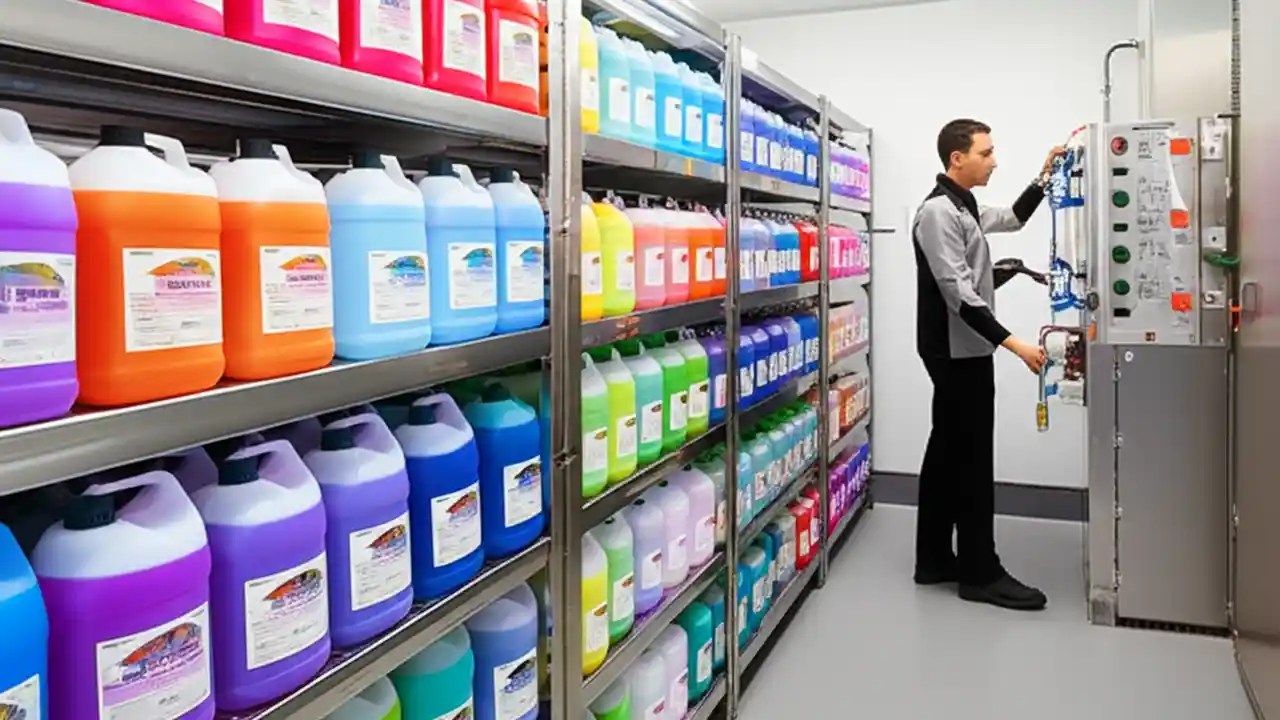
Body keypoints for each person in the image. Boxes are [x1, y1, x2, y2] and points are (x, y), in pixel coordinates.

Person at [911, 118, 1064, 611]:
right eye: (987, 152)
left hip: (963, 348)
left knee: (946, 452)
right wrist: (1015, 345)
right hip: (958, 352)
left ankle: (933, 559)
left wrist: (1044, 177)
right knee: (973, 461)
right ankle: (979, 571)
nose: (994, 160)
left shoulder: (964, 206)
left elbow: (1016, 218)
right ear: (958, 159)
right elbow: (958, 294)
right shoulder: (937, 213)